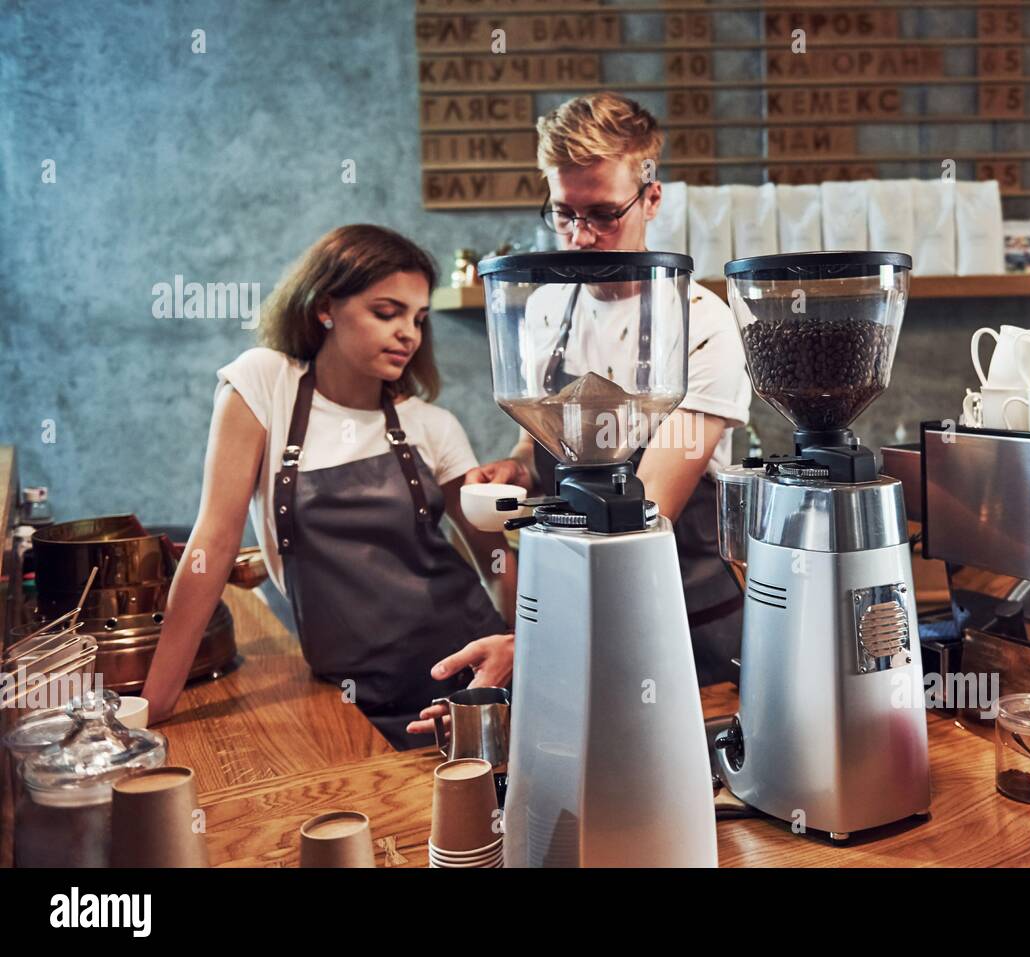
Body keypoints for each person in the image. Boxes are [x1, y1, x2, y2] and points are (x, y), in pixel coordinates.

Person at [413, 93, 751, 736]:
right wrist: (510, 474)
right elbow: (533, 451)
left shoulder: (702, 323)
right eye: (563, 215)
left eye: (602, 214)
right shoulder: (544, 309)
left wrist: (539, 642)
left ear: (651, 198)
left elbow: (648, 513)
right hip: (573, 599)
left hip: (686, 627)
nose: (580, 238)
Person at [141, 225, 516, 749]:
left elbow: (496, 562)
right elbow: (214, 538)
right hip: (348, 696)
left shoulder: (432, 424)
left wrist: (518, 652)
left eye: (419, 318)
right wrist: (154, 704)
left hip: (463, 680)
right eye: (387, 312)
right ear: (325, 308)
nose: (409, 332)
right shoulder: (265, 383)